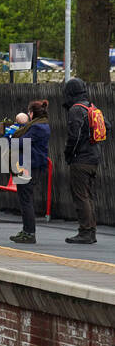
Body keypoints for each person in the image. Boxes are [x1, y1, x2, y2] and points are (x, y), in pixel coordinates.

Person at [62, 77, 100, 244]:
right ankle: (91, 231)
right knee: (88, 196)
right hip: (93, 157)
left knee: (80, 196)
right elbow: (107, 126)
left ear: (70, 93)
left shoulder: (76, 110)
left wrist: (69, 154)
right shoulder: (91, 107)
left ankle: (85, 232)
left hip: (81, 159)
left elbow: (74, 136)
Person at [8, 99, 50, 245]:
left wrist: (10, 136)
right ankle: (26, 230)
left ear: (32, 113)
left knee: (25, 199)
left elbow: (21, 143)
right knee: (24, 198)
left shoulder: (37, 127)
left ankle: (29, 233)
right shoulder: (39, 125)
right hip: (29, 164)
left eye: (28, 112)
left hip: (28, 166)